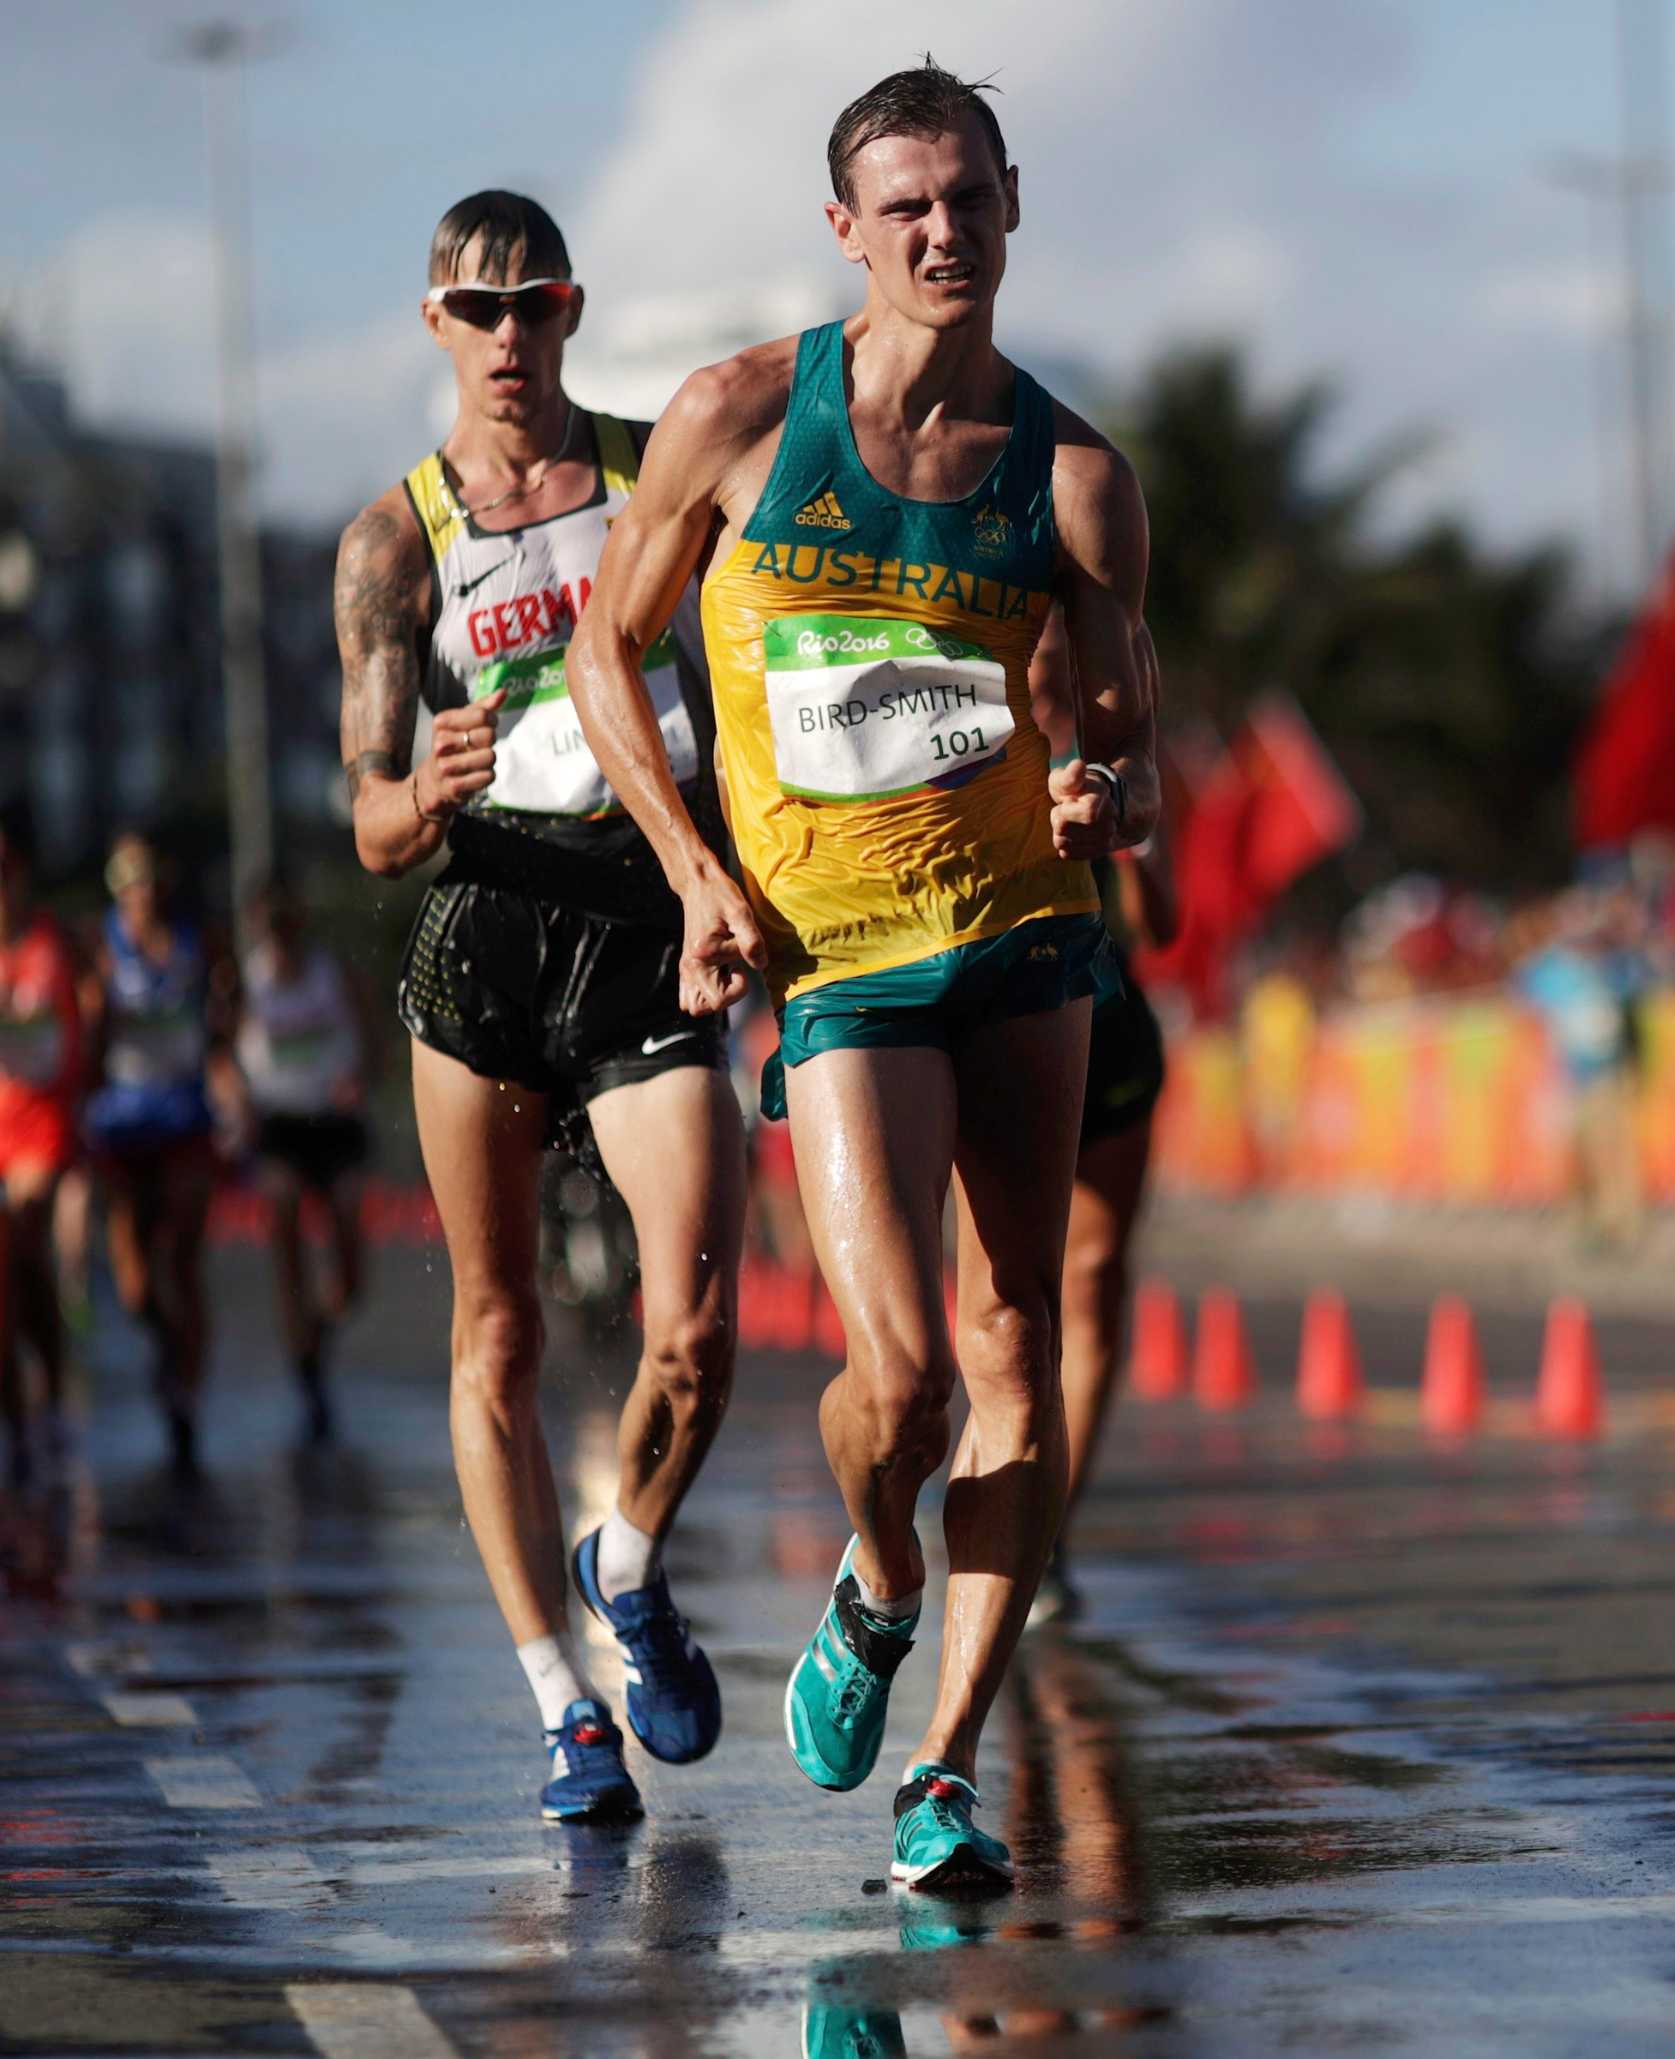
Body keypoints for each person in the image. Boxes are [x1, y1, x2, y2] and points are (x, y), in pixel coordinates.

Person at [561, 63, 1157, 1893]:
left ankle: (947, 1772)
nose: (943, 232)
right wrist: (687, 864)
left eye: (969, 196)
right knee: (894, 1382)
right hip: (833, 954)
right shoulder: (740, 417)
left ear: (1012, 203)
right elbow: (606, 649)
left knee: (1013, 1347)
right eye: (906, 206)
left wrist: (1106, 781)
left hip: (1026, 930)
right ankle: (880, 1566)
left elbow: (1137, 742)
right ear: (847, 231)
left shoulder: (1074, 479)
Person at [332, 190, 741, 1824]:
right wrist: (407, 792)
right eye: (479, 307)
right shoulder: (395, 539)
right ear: (435, 320)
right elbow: (361, 820)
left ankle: (625, 1563)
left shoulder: (666, 472)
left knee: (695, 1321)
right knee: (494, 1326)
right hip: (488, 919)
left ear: (573, 310)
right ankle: (562, 1696)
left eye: (538, 303)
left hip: (647, 908)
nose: (512, 337)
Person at [1034, 619, 1180, 1630]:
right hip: (1002, 1026)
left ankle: (1048, 1534)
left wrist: (1129, 836)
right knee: (1011, 1300)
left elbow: (1166, 926)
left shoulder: (1121, 746)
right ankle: (1001, 1504)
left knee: (1091, 1284)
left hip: (1112, 1035)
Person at [82, 834, 234, 1479]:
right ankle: (166, 1349)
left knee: (182, 1253)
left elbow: (227, 1018)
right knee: (136, 1284)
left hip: (184, 1117)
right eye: (131, 883)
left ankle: (186, 1397)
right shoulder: (100, 950)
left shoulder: (199, 942)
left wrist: (230, 1079)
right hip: (121, 1123)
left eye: (152, 881)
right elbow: (86, 1037)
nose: (143, 894)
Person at [236, 873, 381, 1442]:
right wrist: (233, 1095)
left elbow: (373, 1038)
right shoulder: (244, 981)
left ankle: (322, 1322)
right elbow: (221, 1046)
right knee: (284, 1219)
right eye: (269, 926)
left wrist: (362, 1075)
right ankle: (302, 1355)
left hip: (334, 1121)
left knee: (349, 1266)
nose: (279, 936)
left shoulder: (333, 973)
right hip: (280, 1123)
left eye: (286, 923)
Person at [0, 812, 87, 1485]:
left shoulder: (50, 948)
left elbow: (77, 1033)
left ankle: (49, 1399)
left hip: (42, 1128)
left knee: (25, 1249)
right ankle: (19, 1413)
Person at [1518, 883, 1649, 1248]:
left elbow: (1632, 1002)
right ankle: (1583, 1222)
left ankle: (1621, 1224)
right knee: (1575, 1156)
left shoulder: (1610, 967)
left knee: (1616, 1154)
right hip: (1566, 1077)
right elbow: (1522, 1002)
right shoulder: (1548, 969)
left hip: (1608, 1073)